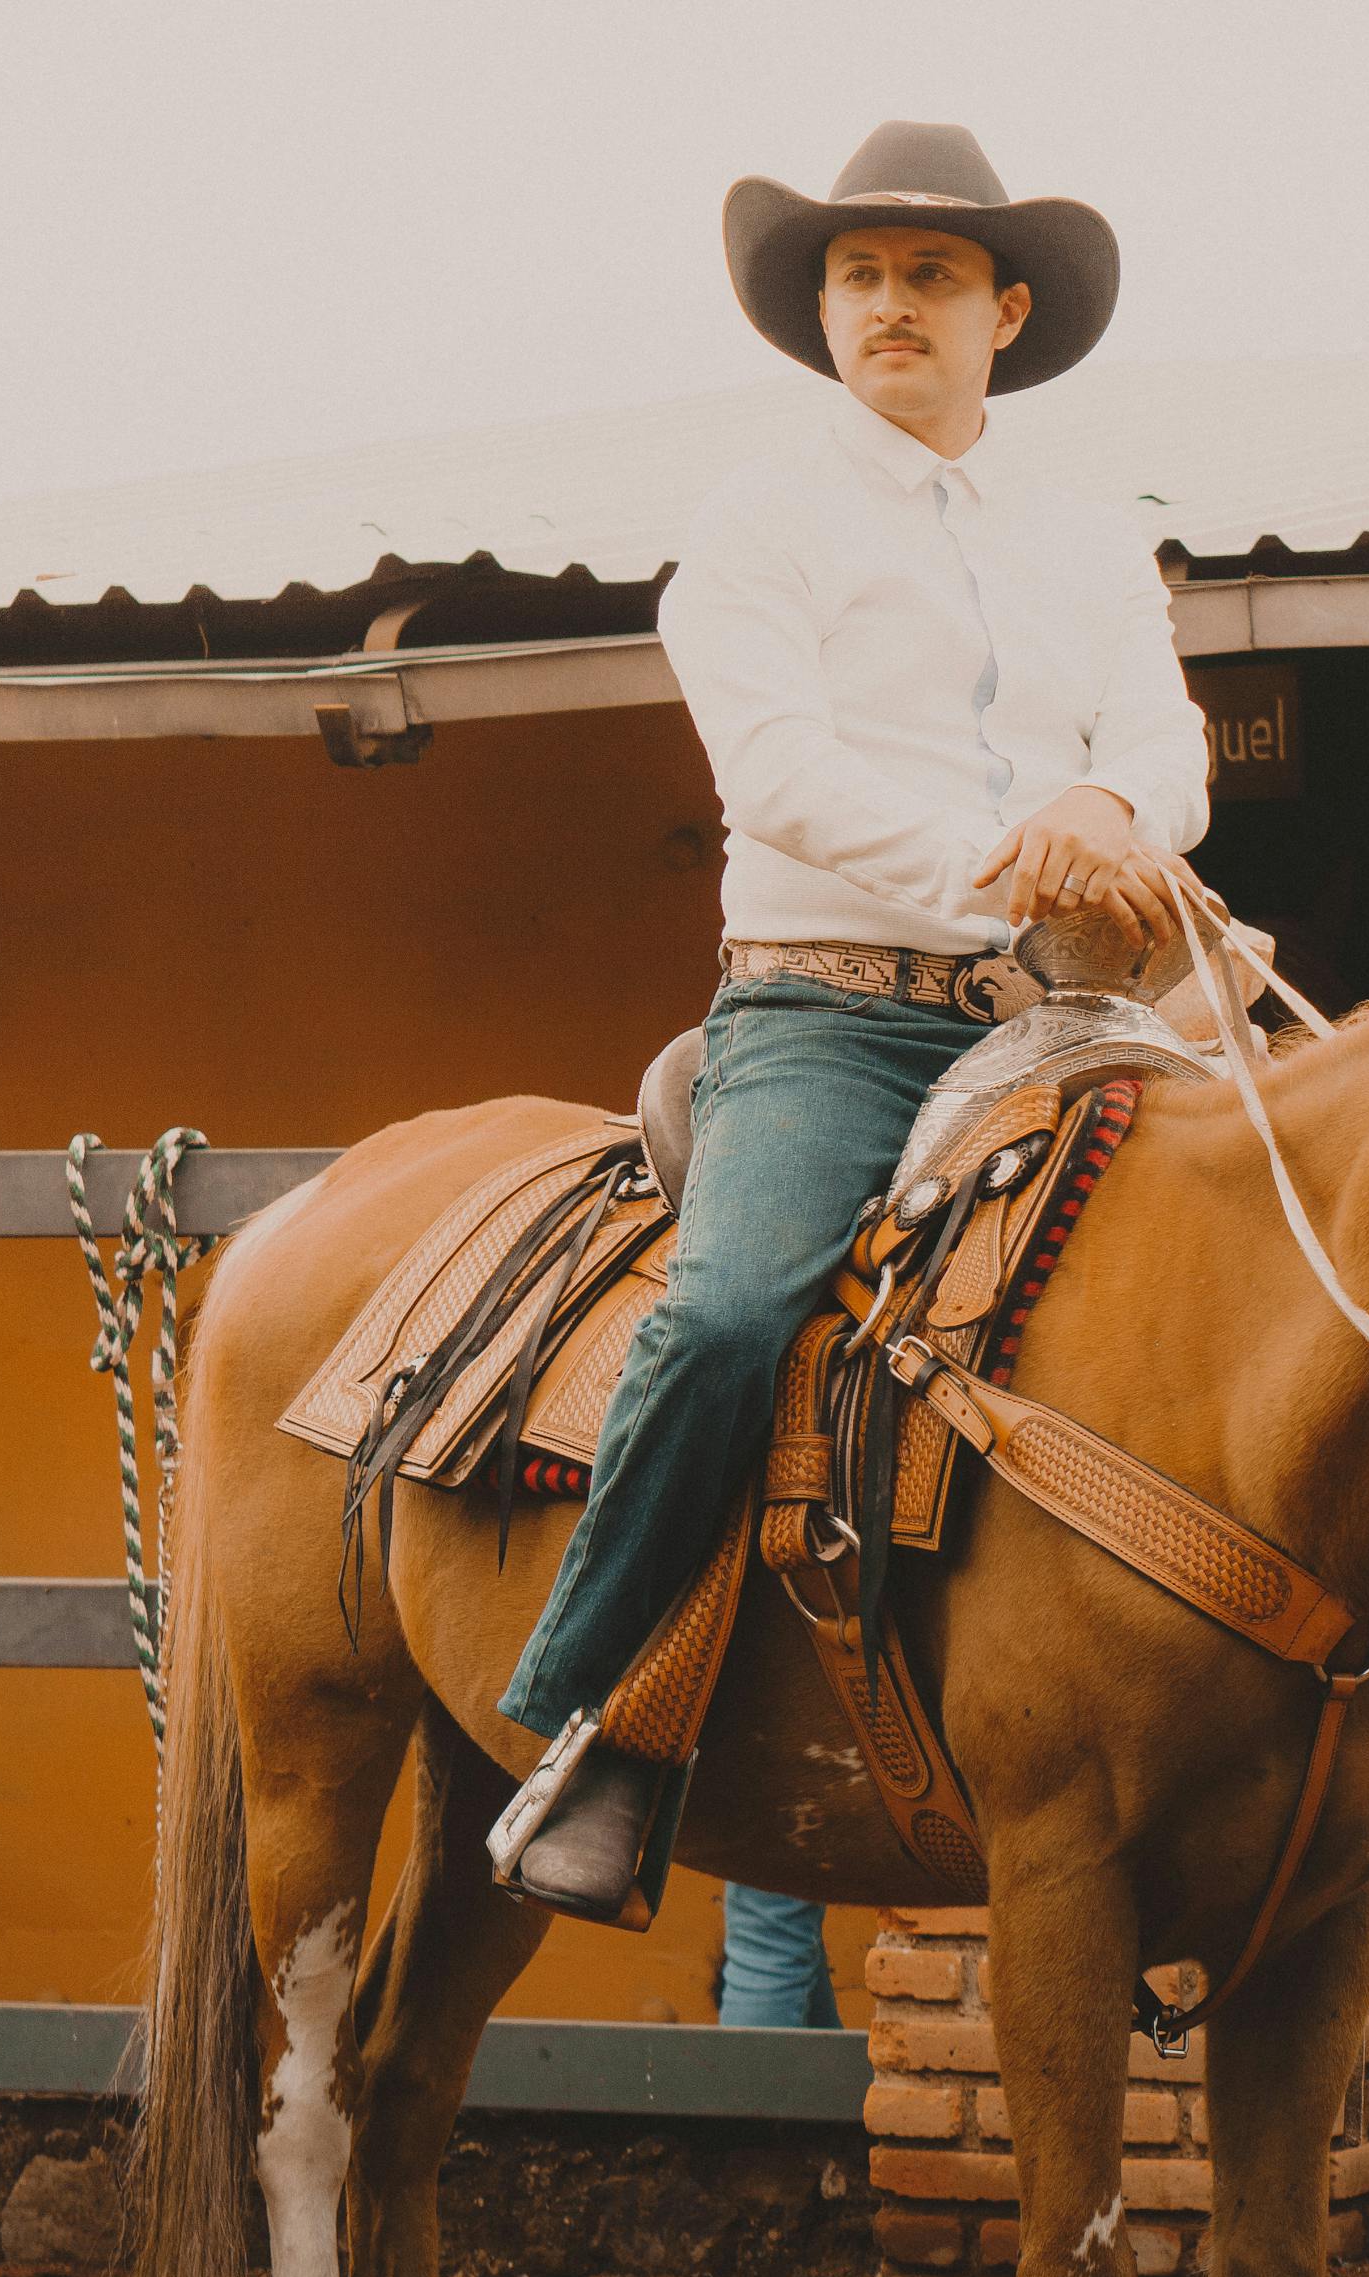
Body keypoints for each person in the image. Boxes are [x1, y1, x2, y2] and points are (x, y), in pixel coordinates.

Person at [489, 120, 1212, 1921]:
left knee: (1296, 1235)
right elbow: (782, 773)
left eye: (934, 274)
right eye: (863, 275)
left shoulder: (1090, 537)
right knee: (733, 1315)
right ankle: (594, 1721)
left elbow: (1165, 741)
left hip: (1080, 1003)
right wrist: (1013, 857)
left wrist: (1113, 822)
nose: (894, 303)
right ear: (823, 310)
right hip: (833, 1010)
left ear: (1006, 309)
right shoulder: (759, 523)